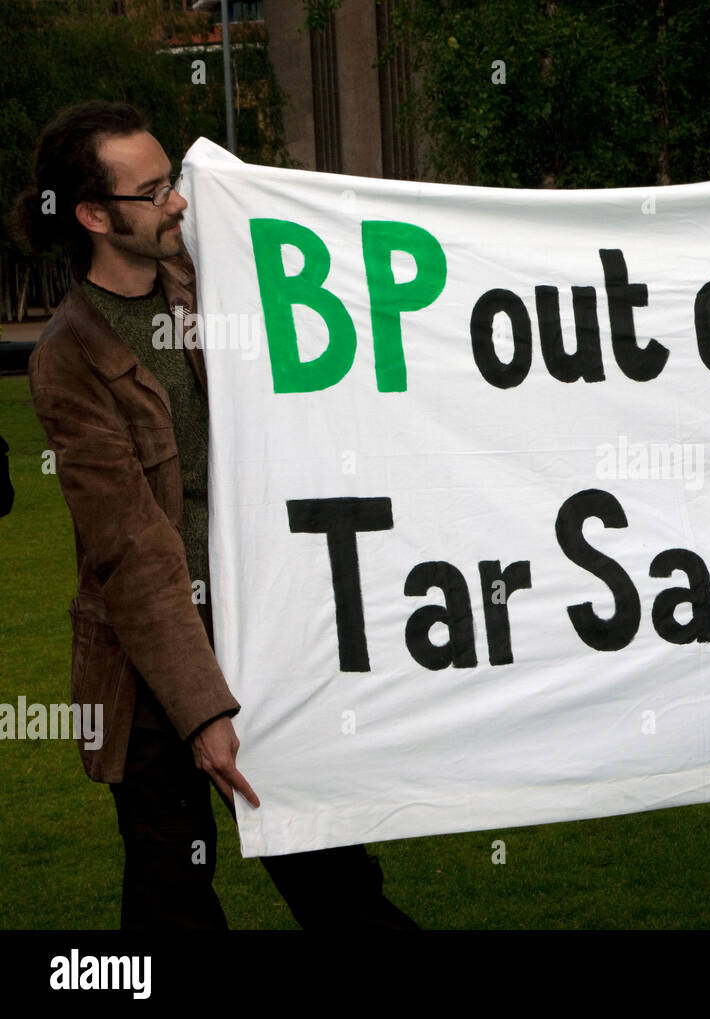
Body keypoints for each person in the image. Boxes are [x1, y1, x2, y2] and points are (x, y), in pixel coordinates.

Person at [13, 101, 417, 930]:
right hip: (152, 667)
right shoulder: (68, 359)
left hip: (262, 636)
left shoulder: (211, 280)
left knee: (333, 878)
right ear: (93, 215)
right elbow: (131, 547)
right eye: (154, 190)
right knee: (170, 894)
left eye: (175, 181)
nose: (177, 203)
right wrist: (205, 709)